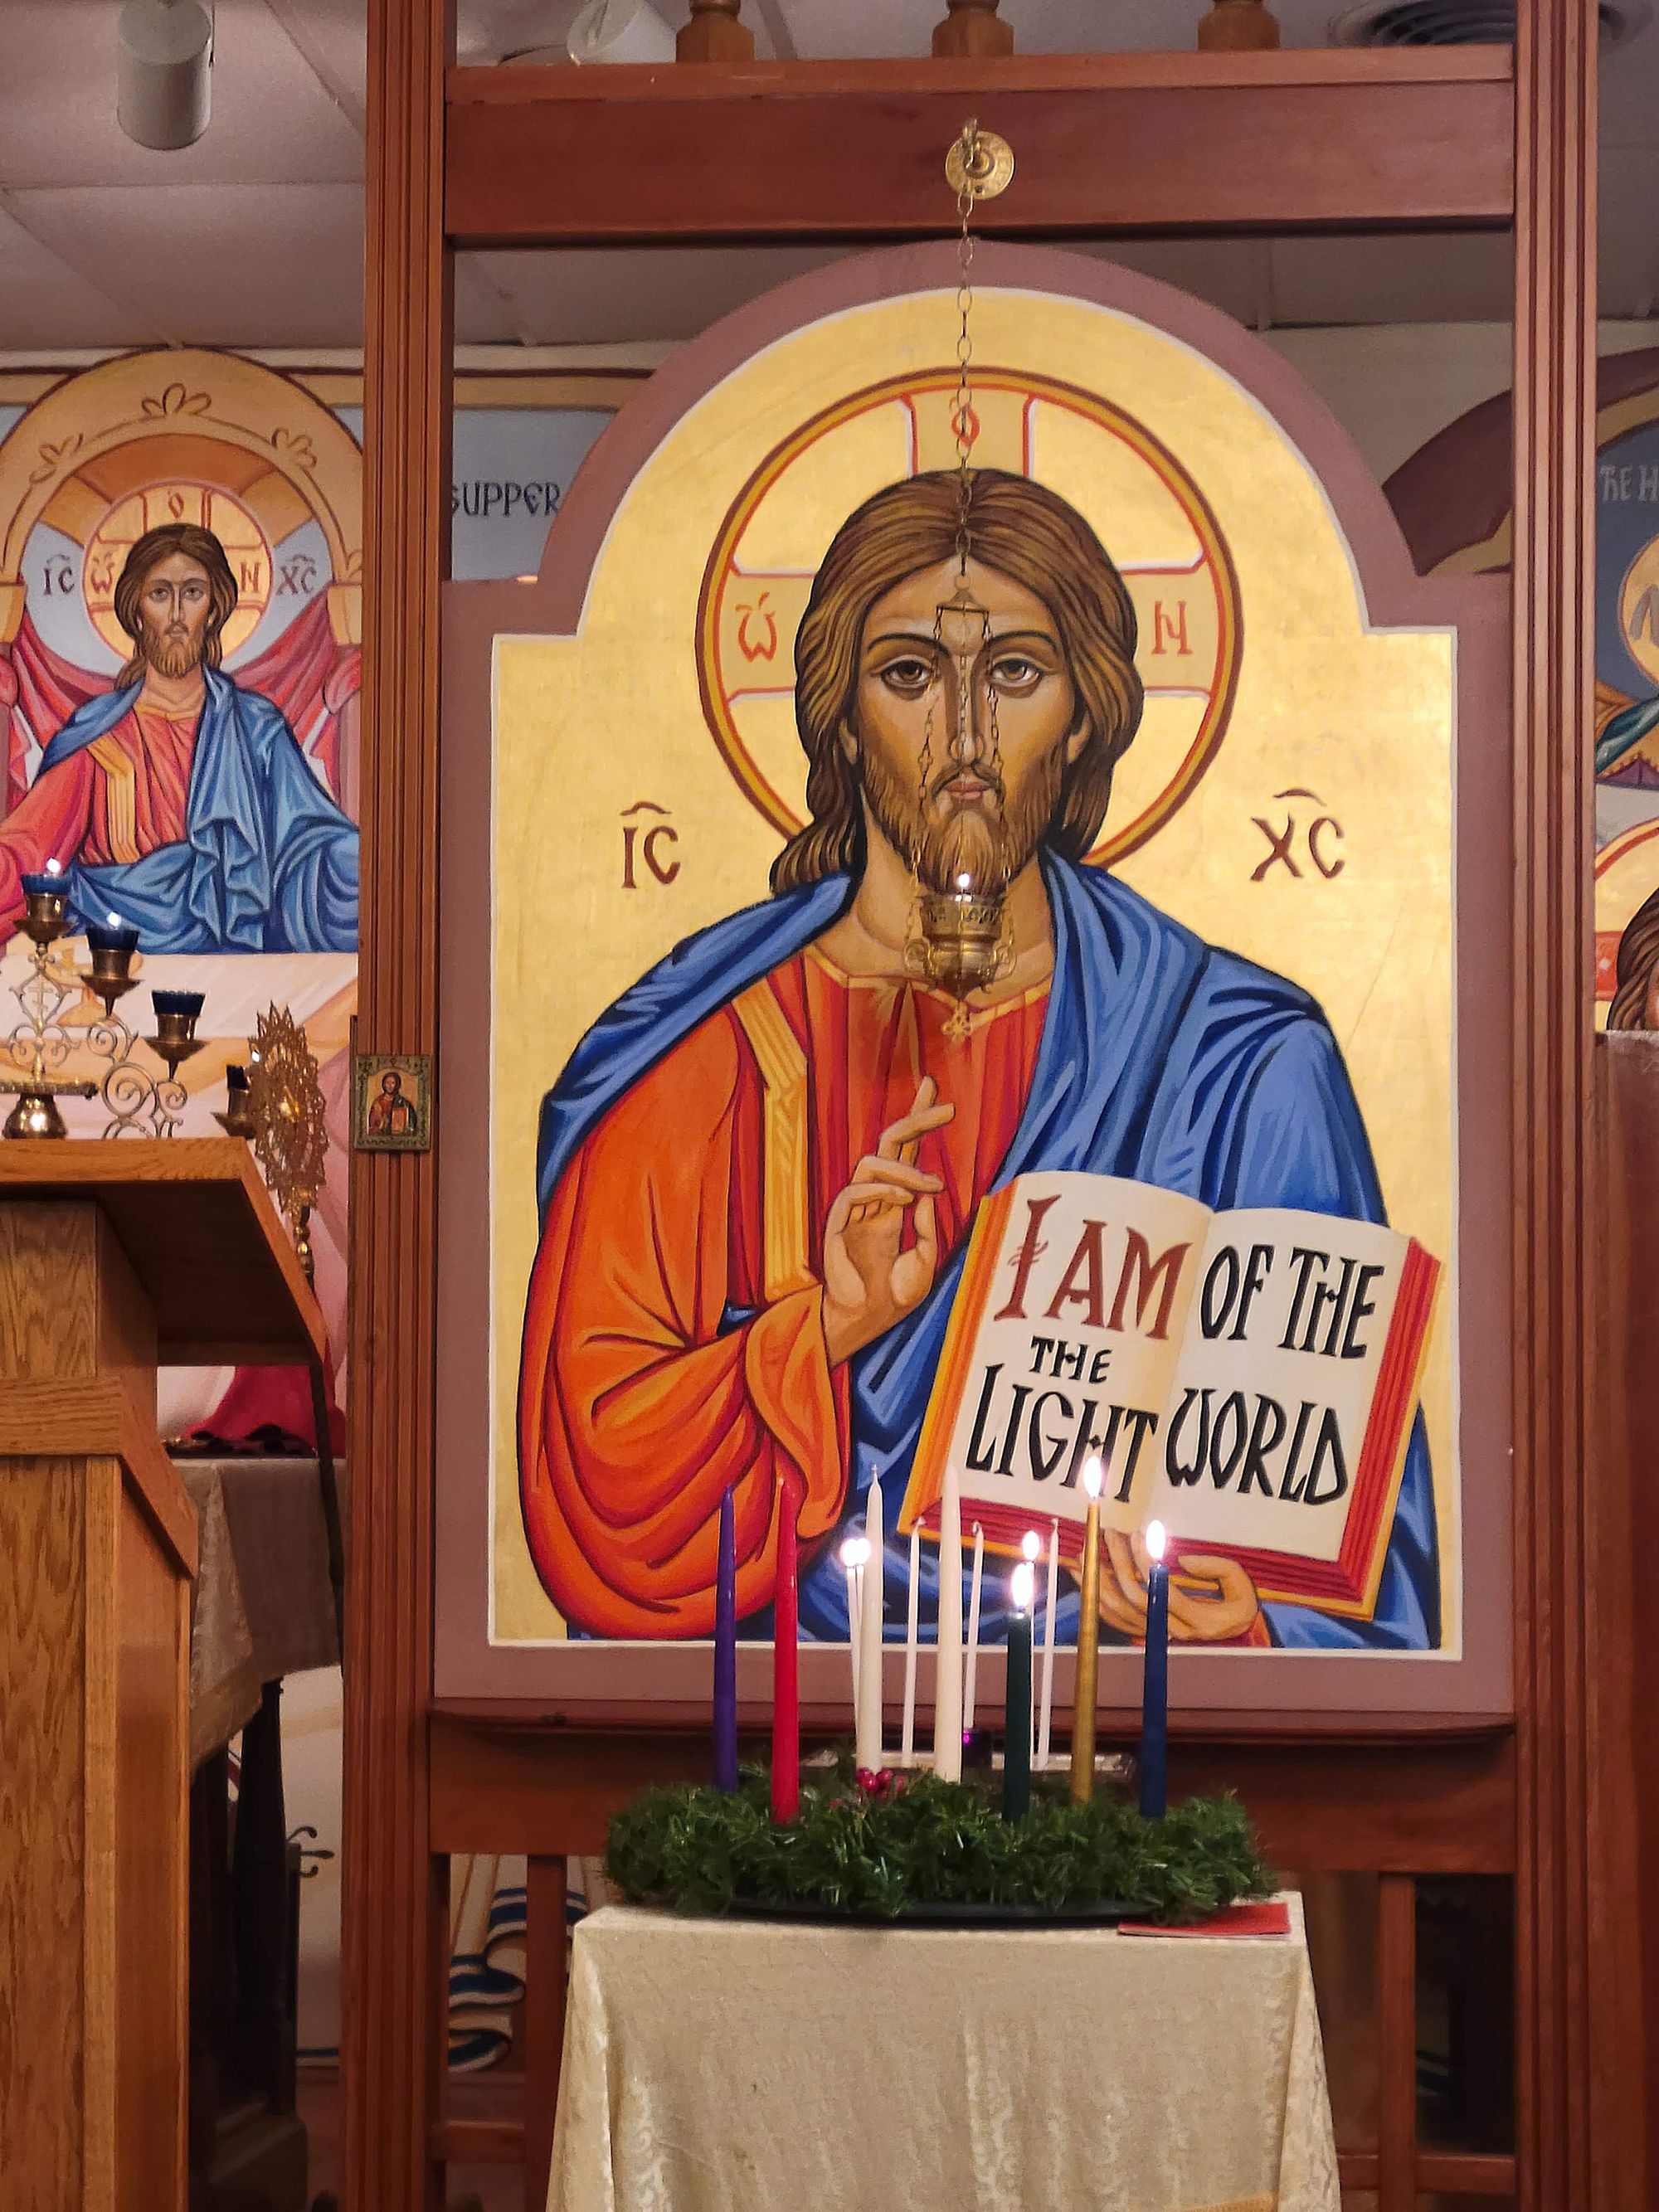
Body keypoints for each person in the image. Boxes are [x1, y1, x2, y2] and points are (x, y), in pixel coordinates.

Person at [518, 469, 1439, 1651]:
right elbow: (600, 1485)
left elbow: (1354, 1575)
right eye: (909, 673)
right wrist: (822, 1333)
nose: (964, 736)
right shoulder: (709, 1050)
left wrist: (1245, 1628)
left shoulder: (1242, 1059)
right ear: (842, 716)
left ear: (1087, 711)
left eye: (1013, 673)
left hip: (1131, 1781)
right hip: (786, 1780)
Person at [0, 522, 358, 950]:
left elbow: (309, 843)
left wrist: (361, 860)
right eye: (159, 594)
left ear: (213, 610)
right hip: (113, 967)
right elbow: (29, 848)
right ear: (136, 612)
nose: (175, 616)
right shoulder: (97, 738)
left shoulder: (256, 728)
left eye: (192, 593)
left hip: (237, 971)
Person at [367, 1068, 416, 1136]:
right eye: (387, 1083)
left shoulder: (403, 1102)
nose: (390, 1086)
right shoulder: (378, 1102)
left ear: (397, 1084)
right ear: (383, 1084)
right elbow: (373, 1125)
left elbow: (412, 1122)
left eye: (393, 1083)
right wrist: (382, 1123)